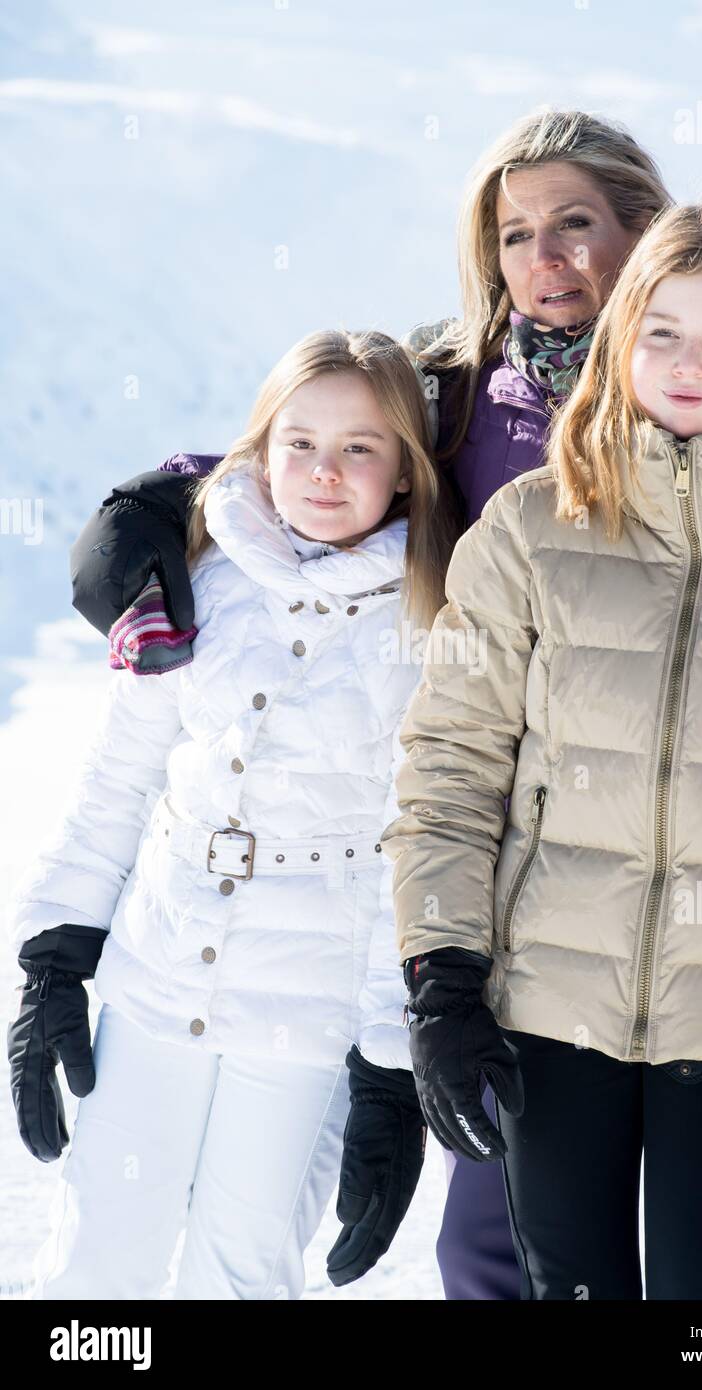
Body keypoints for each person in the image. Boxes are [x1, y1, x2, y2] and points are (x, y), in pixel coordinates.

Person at [62, 107, 702, 1300]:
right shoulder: (455, 393)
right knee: (496, 1246)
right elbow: (319, 444)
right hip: (513, 921)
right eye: (514, 232)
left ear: (640, 231)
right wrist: (163, 493)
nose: (543, 255)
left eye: (574, 224)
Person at [381, 203, 702, 1300]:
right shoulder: (527, 528)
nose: (687, 364)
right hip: (545, 1016)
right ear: (620, 337)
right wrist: (441, 981)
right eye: (661, 331)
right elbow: (450, 771)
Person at [5, 329, 462, 1299]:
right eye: (298, 442)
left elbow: (408, 850)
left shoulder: (422, 622)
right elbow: (120, 775)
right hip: (156, 978)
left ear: (405, 474)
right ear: (259, 447)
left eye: (359, 448)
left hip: (298, 1020)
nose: (323, 472)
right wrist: (55, 950)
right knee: (98, 1262)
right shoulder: (198, 573)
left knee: (242, 1270)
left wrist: (385, 1063)